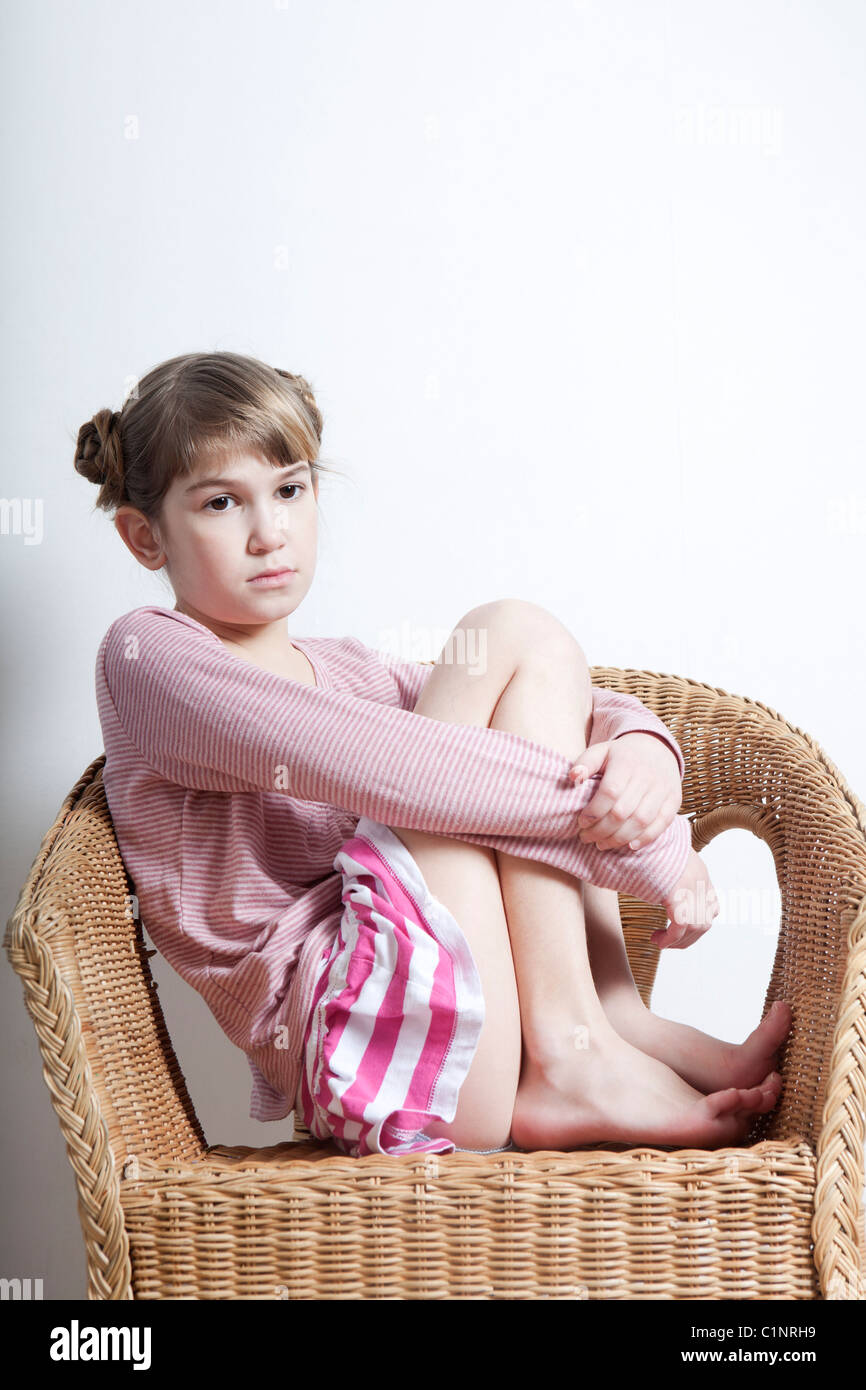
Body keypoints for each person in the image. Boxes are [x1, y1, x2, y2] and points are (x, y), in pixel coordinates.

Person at [74, 350, 792, 1158]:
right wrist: (652, 851)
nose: (269, 532)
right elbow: (401, 770)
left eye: (290, 489)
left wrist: (641, 748)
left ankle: (611, 1020)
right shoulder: (149, 658)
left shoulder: (347, 667)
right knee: (506, 638)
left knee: (516, 651)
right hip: (375, 1053)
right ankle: (569, 1050)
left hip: (463, 1035)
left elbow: (559, 707)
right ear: (144, 537)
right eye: (219, 503)